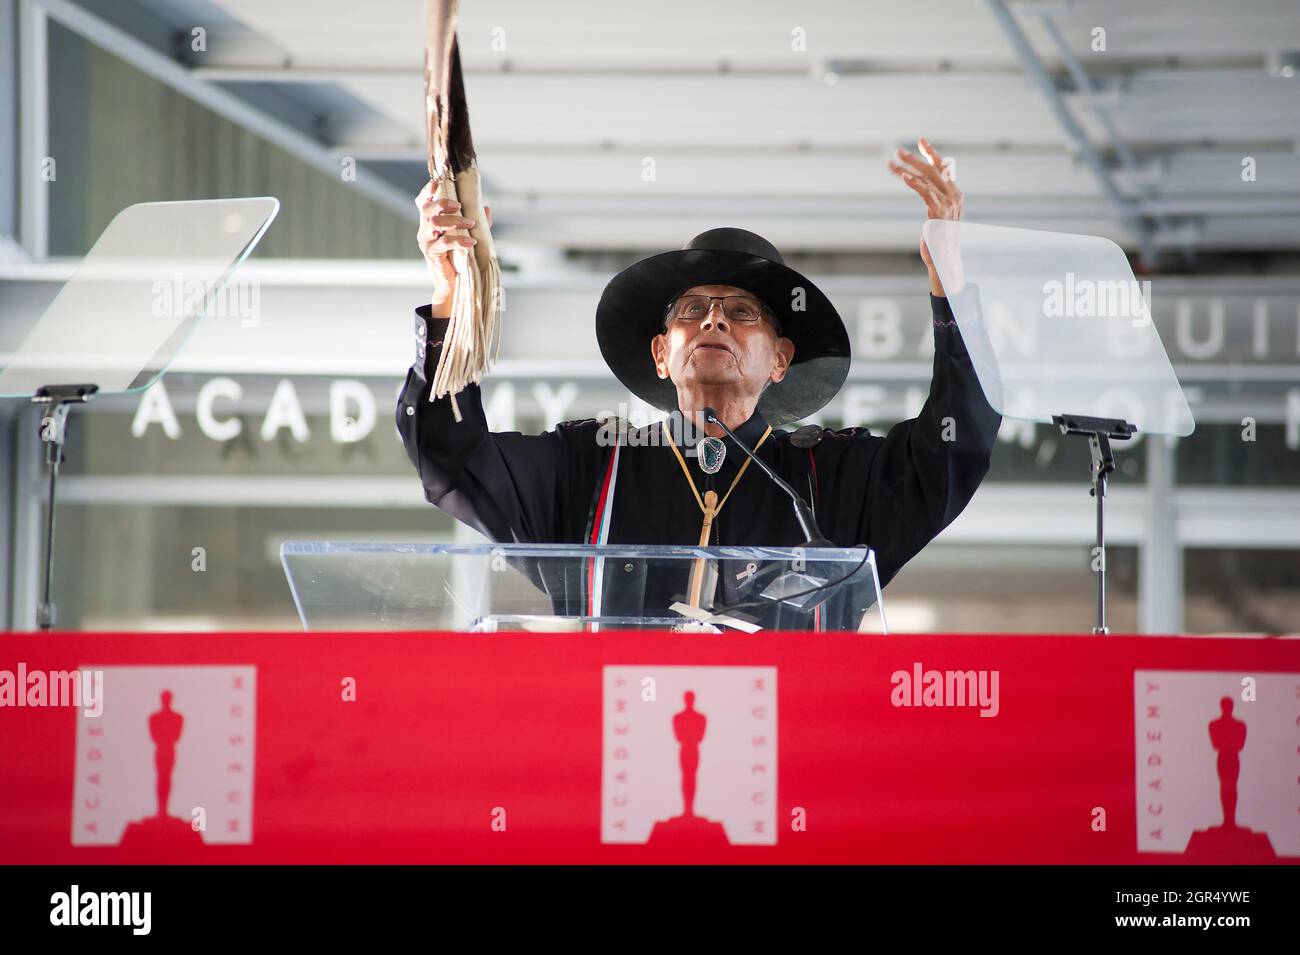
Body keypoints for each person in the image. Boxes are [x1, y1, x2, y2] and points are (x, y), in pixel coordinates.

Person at [397, 138, 1000, 618]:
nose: (714, 317)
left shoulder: (833, 478)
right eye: (692, 310)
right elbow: (453, 459)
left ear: (781, 359)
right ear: (662, 353)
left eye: (742, 312)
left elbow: (952, 452)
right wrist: (452, 295)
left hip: (792, 756)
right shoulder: (593, 465)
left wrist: (953, 283)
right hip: (617, 752)